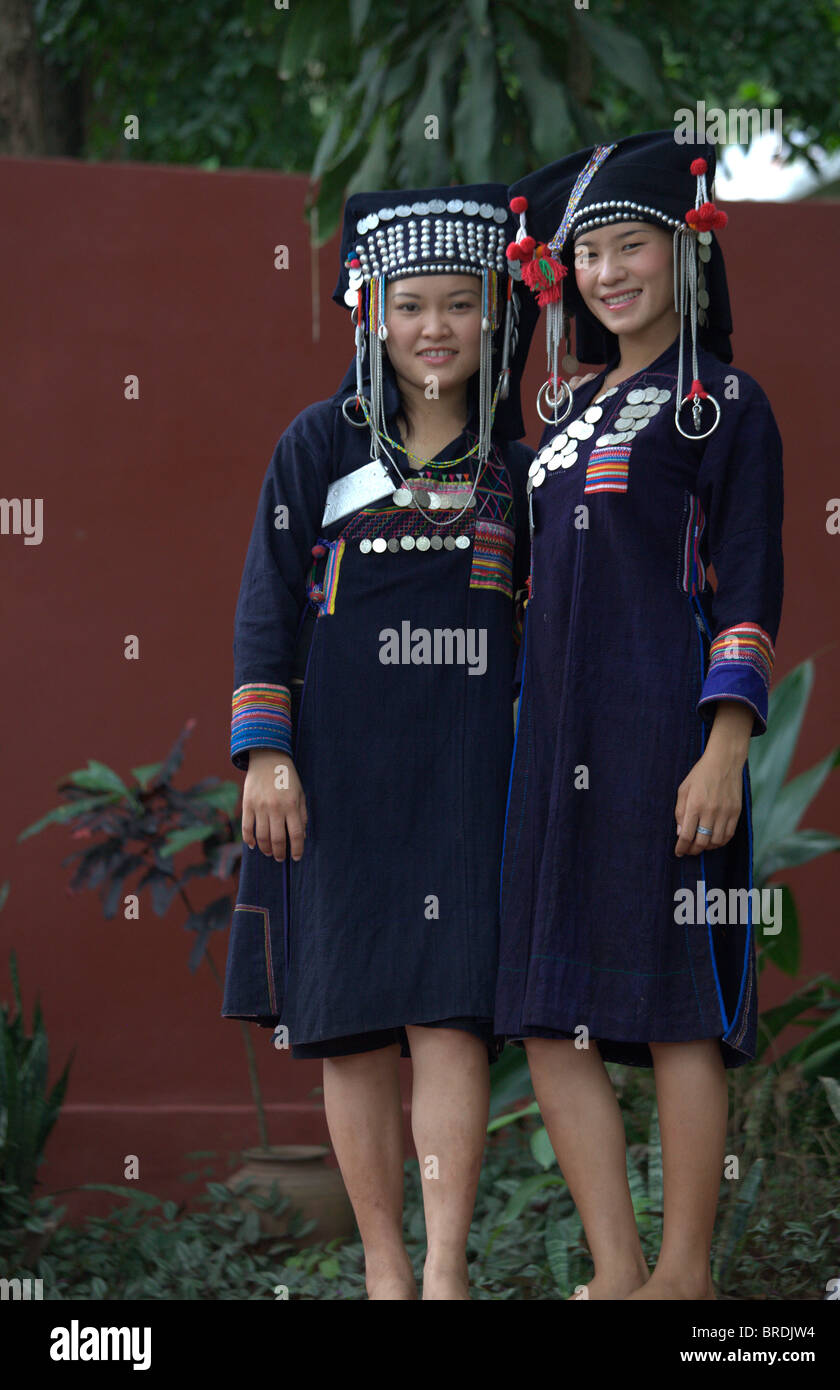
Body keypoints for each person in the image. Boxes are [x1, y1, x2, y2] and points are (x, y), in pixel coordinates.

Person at [221, 184, 538, 1300]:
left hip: (466, 773)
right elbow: (265, 605)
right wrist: (267, 752)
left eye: (460, 304)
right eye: (412, 306)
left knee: (449, 1017)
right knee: (350, 1021)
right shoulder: (319, 444)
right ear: (372, 315)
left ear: (494, 313)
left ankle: (446, 1272)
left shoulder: (518, 467)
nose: (435, 328)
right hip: (336, 774)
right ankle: (385, 1273)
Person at [497, 131, 784, 1300]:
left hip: (665, 736)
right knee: (546, 1013)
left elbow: (753, 585)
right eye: (590, 254)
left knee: (675, 1015)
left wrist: (723, 746)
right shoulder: (557, 418)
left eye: (633, 248)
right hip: (549, 746)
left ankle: (683, 1275)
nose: (610, 273)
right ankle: (614, 1273)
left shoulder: (722, 403)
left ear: (685, 253)